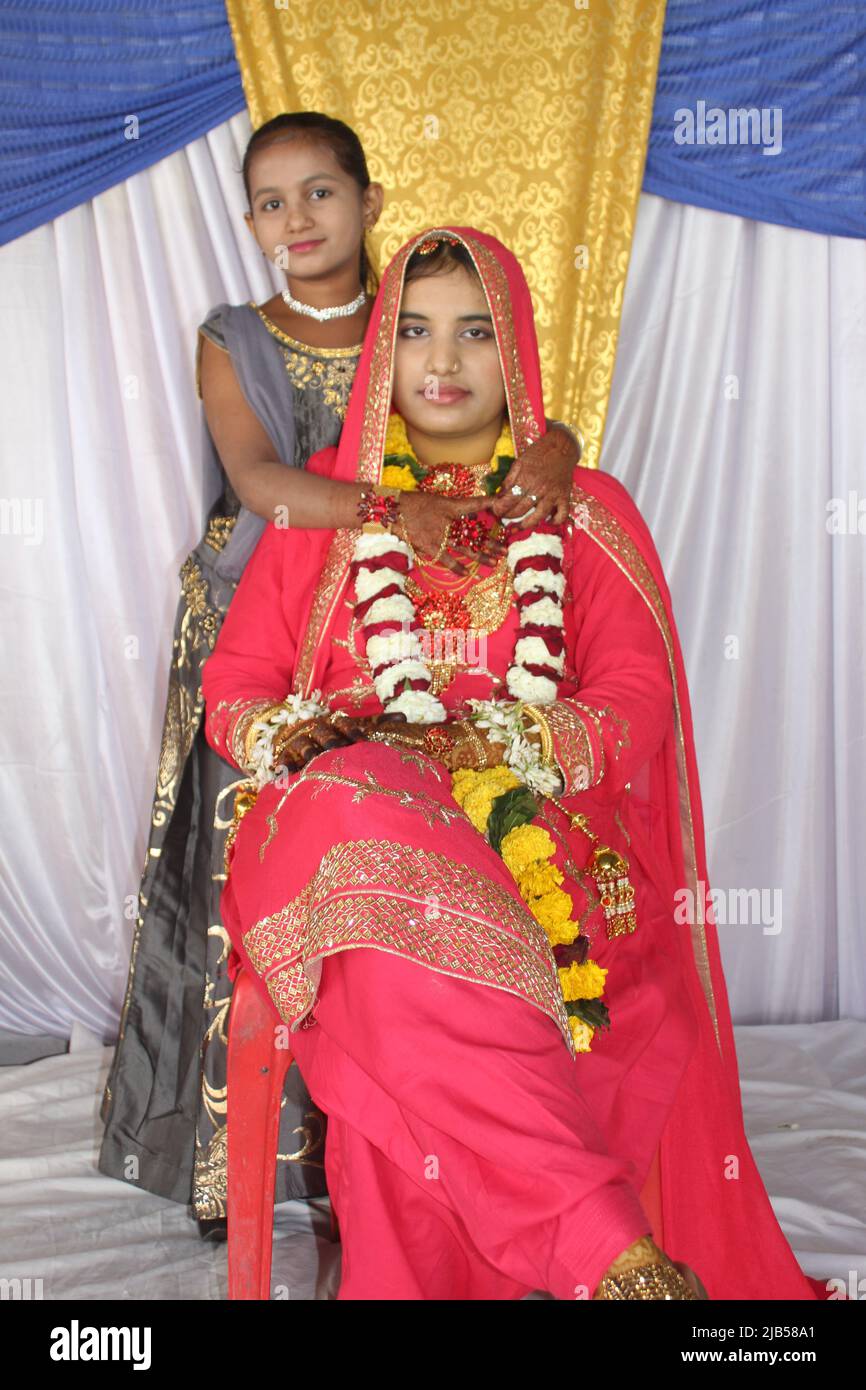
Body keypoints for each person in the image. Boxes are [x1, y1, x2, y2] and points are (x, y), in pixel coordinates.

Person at [201, 225, 829, 1299]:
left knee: (393, 979)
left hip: (531, 851)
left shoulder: (582, 511)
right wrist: (289, 737)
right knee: (365, 792)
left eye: (474, 334)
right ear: (380, 354)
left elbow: (632, 704)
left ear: (519, 352)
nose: (440, 364)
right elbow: (235, 690)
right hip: (328, 843)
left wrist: (495, 742)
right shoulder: (329, 503)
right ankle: (606, 1254)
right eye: (412, 333)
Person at [97, 116, 582, 1237]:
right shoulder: (233, 336)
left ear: (370, 203)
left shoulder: (418, 306)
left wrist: (550, 445)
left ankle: (408, 1139)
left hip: (403, 639)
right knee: (241, 891)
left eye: (319, 193)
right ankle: (233, 1164)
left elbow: (496, 402)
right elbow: (261, 477)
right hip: (267, 635)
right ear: (250, 222)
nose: (295, 219)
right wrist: (382, 510)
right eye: (269, 202)